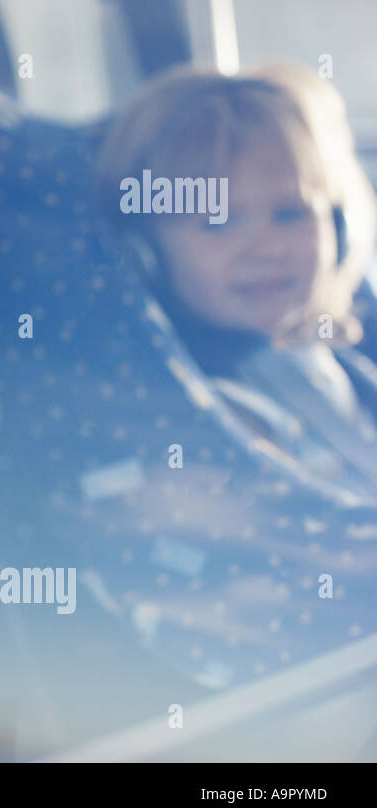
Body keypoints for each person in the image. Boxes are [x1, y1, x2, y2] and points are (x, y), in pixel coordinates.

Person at [93, 64, 377, 501]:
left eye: (290, 213)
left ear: (337, 229)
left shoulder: (336, 357)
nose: (267, 249)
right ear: (144, 255)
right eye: (218, 221)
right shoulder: (211, 411)